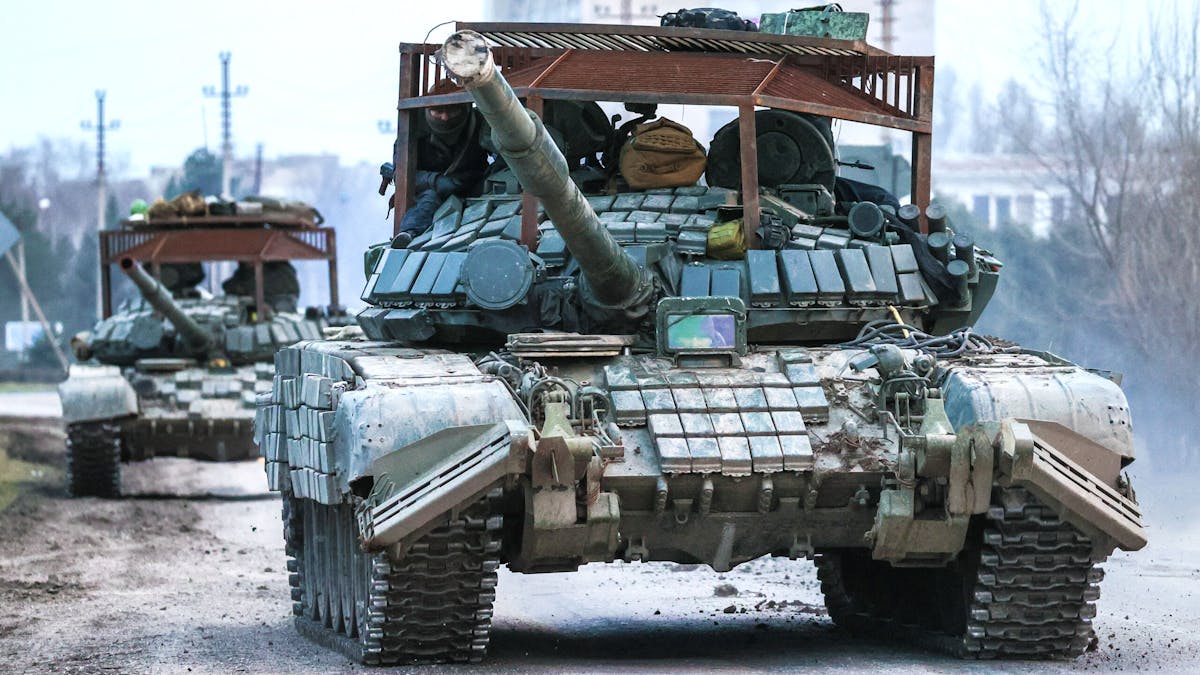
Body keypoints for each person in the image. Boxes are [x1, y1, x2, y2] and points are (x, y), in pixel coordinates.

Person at [382, 80, 489, 248]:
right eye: (438, 111)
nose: (445, 117)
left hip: (473, 185)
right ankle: (408, 234)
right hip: (431, 192)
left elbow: (501, 151)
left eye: (452, 110)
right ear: (427, 110)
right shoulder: (411, 129)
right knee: (428, 200)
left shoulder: (478, 122)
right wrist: (435, 181)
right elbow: (402, 176)